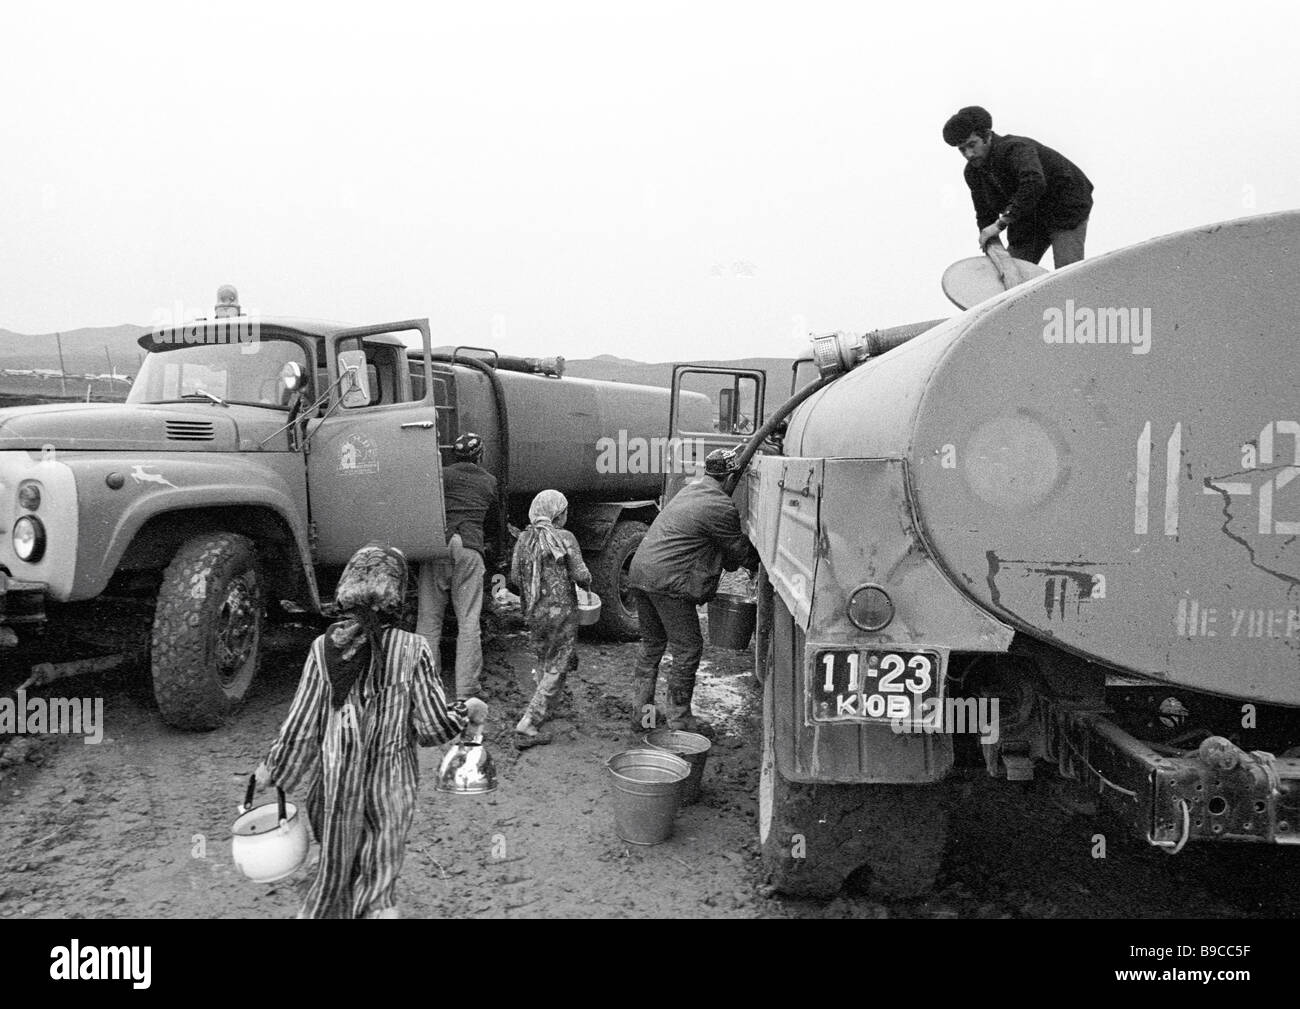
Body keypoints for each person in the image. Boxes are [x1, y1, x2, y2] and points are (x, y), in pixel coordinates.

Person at [252, 542, 488, 919]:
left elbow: (302, 724)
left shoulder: (323, 648)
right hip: (390, 791)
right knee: (378, 880)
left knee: (333, 873)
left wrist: (271, 770)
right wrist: (466, 710)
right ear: (396, 592)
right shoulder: (413, 649)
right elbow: (430, 727)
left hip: (334, 789)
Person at [626, 448, 759, 738]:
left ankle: (642, 714)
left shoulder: (690, 491)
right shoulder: (720, 506)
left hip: (640, 574)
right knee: (688, 648)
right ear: (731, 477)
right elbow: (736, 551)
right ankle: (680, 720)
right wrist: (754, 562)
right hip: (668, 584)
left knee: (652, 645)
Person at [942, 105, 1094, 268]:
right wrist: (993, 246)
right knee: (1012, 270)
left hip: (1065, 207)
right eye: (962, 149)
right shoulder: (973, 172)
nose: (968, 154)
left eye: (972, 145)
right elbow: (985, 214)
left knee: (1067, 270)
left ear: (987, 136)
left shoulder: (1015, 148)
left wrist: (1000, 224)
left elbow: (1034, 183)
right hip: (1028, 216)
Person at [417, 432, 498, 699]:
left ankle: (427, 686)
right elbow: (493, 522)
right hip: (470, 548)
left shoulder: (443, 475)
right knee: (468, 622)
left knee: (429, 620)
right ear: (480, 455)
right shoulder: (489, 482)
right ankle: (467, 690)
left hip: (437, 546)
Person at [510, 490, 592, 748]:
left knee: (545, 658)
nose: (567, 515)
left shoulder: (523, 538)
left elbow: (514, 577)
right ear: (558, 514)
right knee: (558, 663)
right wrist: (588, 583)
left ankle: (547, 707)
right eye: (565, 511)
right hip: (562, 613)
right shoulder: (564, 537)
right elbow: (581, 574)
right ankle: (529, 722)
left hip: (534, 611)